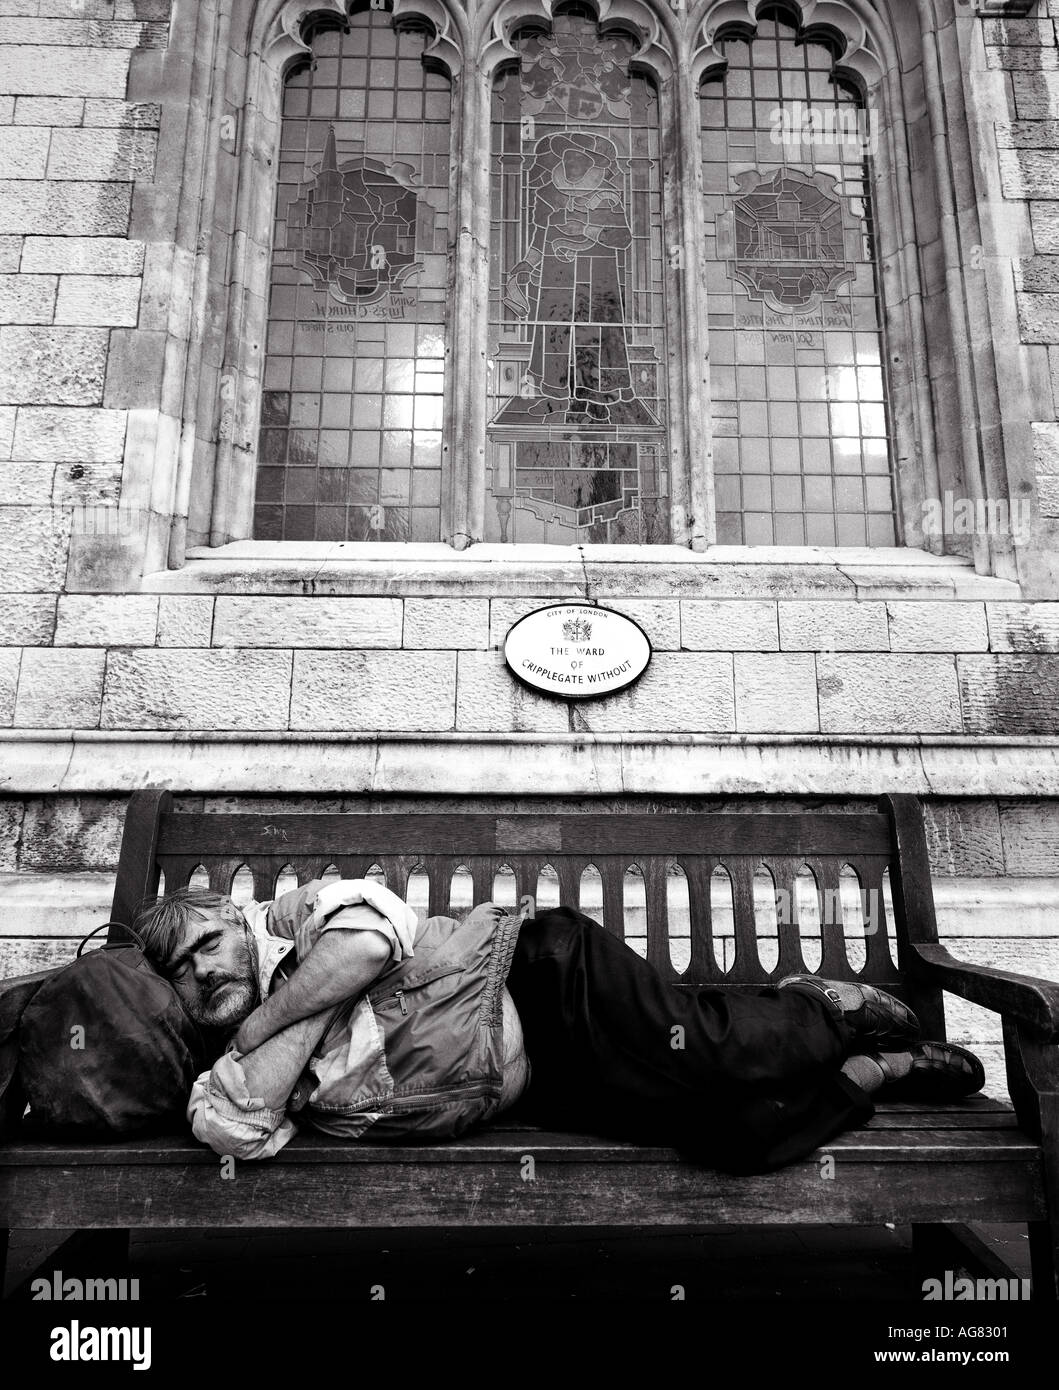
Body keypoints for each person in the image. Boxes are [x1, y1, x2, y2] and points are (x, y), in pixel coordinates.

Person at [133, 878, 985, 1174]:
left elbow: (363, 947)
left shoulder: (293, 917)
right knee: (735, 1137)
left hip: (542, 975)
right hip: (541, 1083)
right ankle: (882, 1073)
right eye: (184, 969)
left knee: (712, 1050)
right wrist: (250, 1037)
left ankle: (823, 1006)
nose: (205, 970)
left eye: (208, 941)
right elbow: (238, 1128)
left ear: (233, 917)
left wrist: (263, 1024)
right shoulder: (220, 1067)